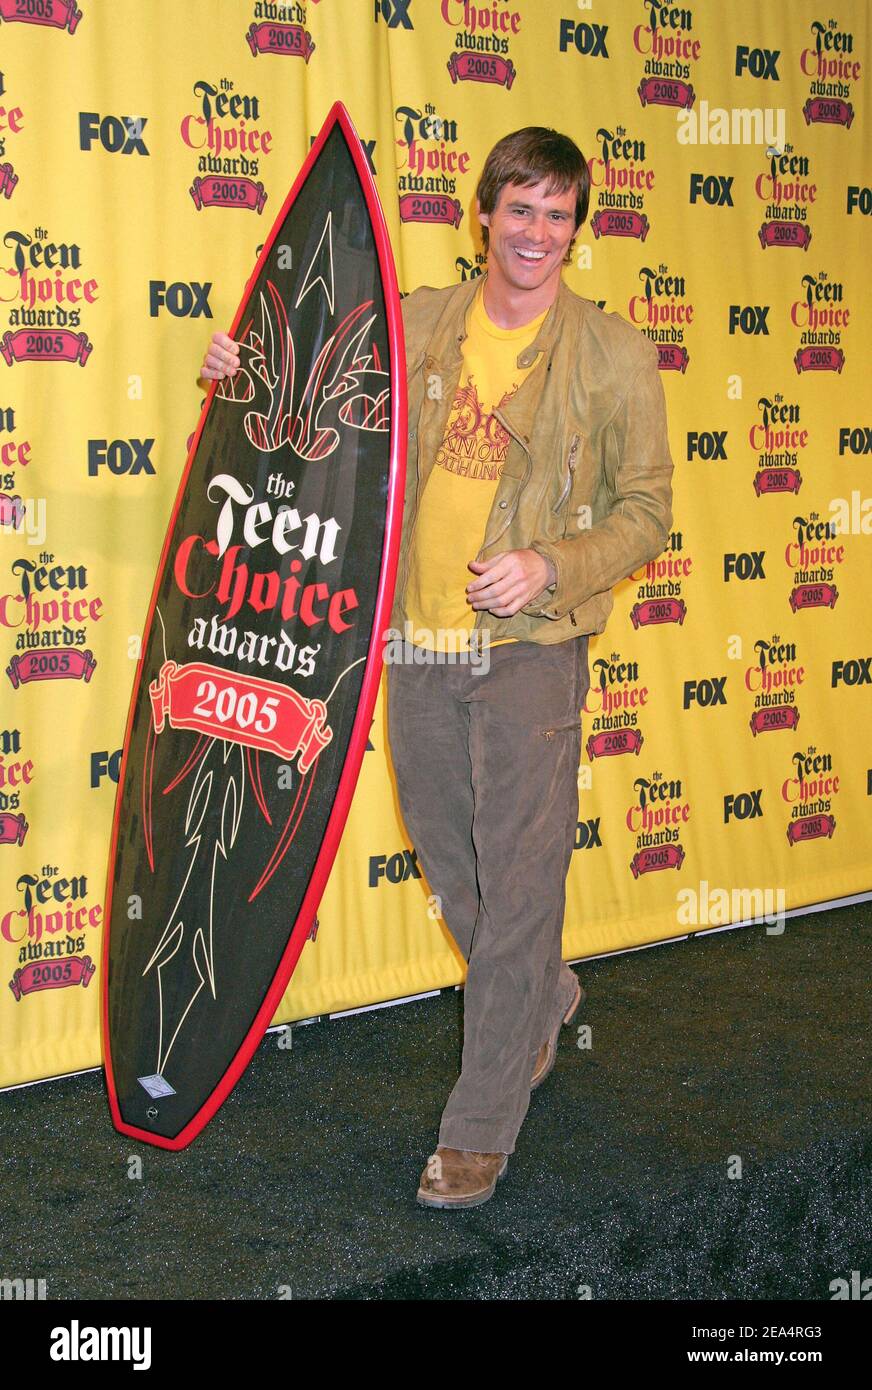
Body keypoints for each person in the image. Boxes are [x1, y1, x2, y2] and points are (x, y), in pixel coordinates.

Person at [201, 127, 674, 1211]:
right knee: (455, 867)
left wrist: (549, 559)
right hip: (411, 642)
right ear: (483, 214)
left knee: (516, 882)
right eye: (519, 208)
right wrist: (242, 374)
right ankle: (541, 998)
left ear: (576, 230)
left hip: (529, 648)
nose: (535, 232)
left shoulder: (613, 354)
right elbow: (318, 408)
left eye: (557, 214)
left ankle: (480, 1121)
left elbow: (646, 510)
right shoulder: (420, 319)